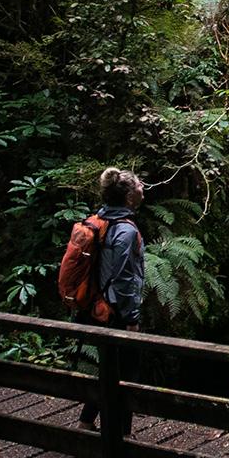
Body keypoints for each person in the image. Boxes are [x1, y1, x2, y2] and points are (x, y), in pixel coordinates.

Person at [78, 166, 145, 433]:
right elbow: (124, 278)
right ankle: (120, 435)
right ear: (129, 196)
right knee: (126, 374)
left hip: (98, 307)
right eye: (139, 184)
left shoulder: (100, 220)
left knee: (109, 370)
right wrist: (131, 318)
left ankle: (86, 421)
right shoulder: (125, 231)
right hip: (116, 312)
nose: (143, 187)